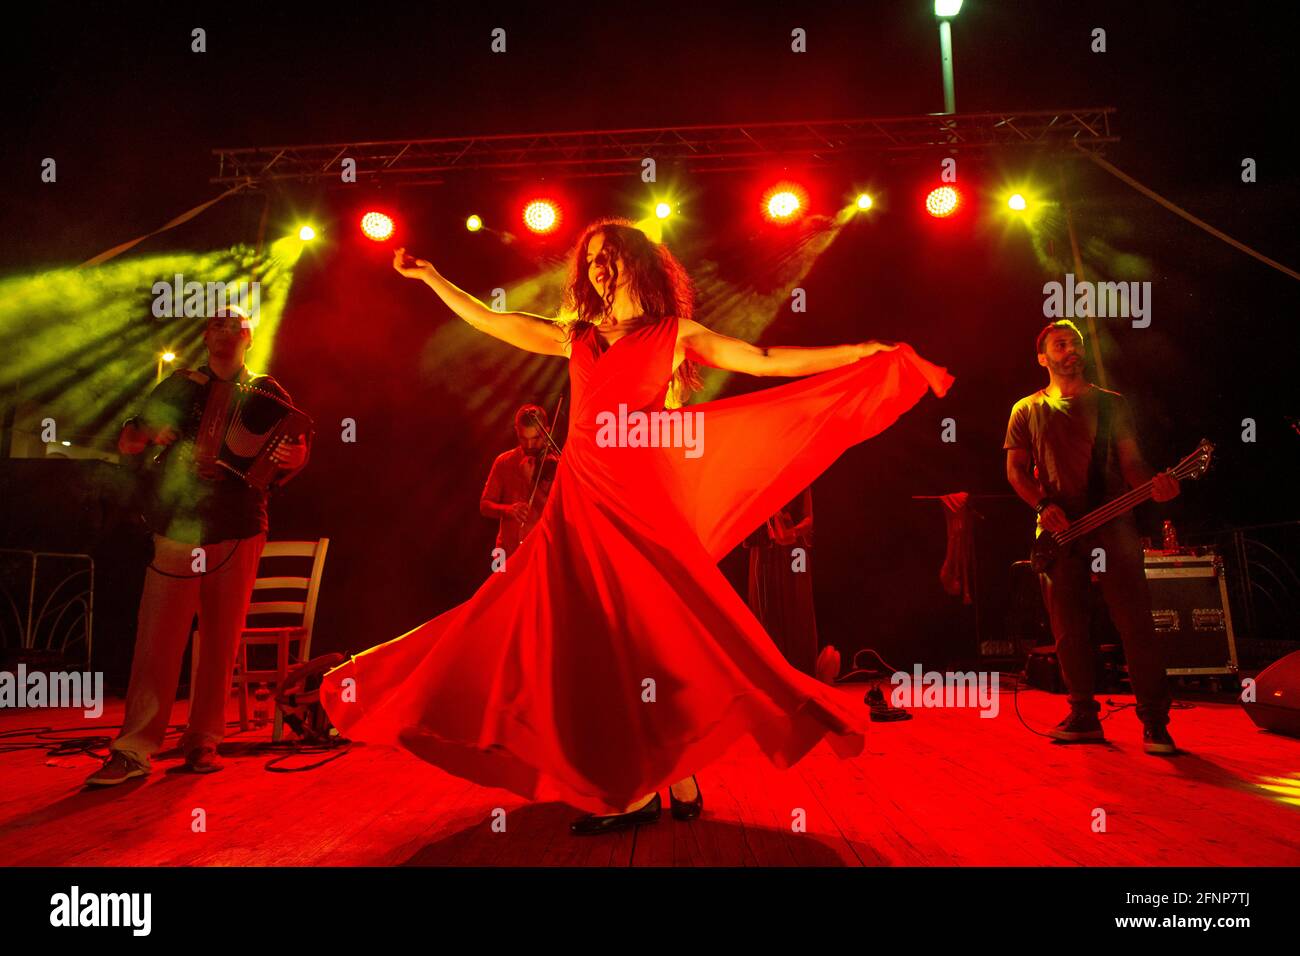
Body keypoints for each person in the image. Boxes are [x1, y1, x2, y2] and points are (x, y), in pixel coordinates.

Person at [319, 218, 951, 834]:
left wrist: (860, 351)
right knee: (591, 633)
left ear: (637, 262)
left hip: (638, 493)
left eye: (608, 254)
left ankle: (639, 788)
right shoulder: (576, 334)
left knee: (656, 626)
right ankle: (668, 778)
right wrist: (433, 277)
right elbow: (495, 321)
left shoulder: (673, 331)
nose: (597, 266)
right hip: (580, 494)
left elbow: (761, 358)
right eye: (589, 258)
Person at [86, 307, 309, 785]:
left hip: (241, 521)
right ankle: (134, 748)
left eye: (235, 327)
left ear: (249, 338)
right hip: (179, 522)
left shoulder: (268, 391)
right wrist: (149, 431)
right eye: (217, 325)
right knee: (158, 638)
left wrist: (295, 455)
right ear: (206, 336)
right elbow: (128, 441)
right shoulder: (181, 384)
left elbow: (297, 446)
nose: (226, 332)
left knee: (221, 638)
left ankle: (204, 739)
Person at [1004, 319, 1179, 755]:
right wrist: (1044, 506)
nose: (1071, 350)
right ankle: (1083, 714)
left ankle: (1155, 721)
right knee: (1068, 628)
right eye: (1060, 344)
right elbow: (1016, 472)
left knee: (1134, 622)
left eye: (1076, 343)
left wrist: (1157, 487)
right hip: (1058, 531)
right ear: (1043, 357)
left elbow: (1132, 462)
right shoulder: (1025, 409)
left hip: (1113, 523)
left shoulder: (1110, 404)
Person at [742, 486, 819, 676]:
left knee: (796, 608)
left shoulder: (798, 477)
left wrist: (793, 531)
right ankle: (769, 675)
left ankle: (800, 673)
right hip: (764, 550)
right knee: (766, 612)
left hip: (792, 552)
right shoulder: (755, 480)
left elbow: (808, 519)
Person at [481, 404, 559, 559]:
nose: (529, 446)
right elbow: (485, 505)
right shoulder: (503, 462)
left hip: (541, 553)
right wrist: (507, 510)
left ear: (547, 431)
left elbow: (557, 514)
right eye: (523, 438)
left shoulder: (558, 464)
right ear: (517, 431)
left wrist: (529, 481)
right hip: (504, 553)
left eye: (536, 438)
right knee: (500, 584)